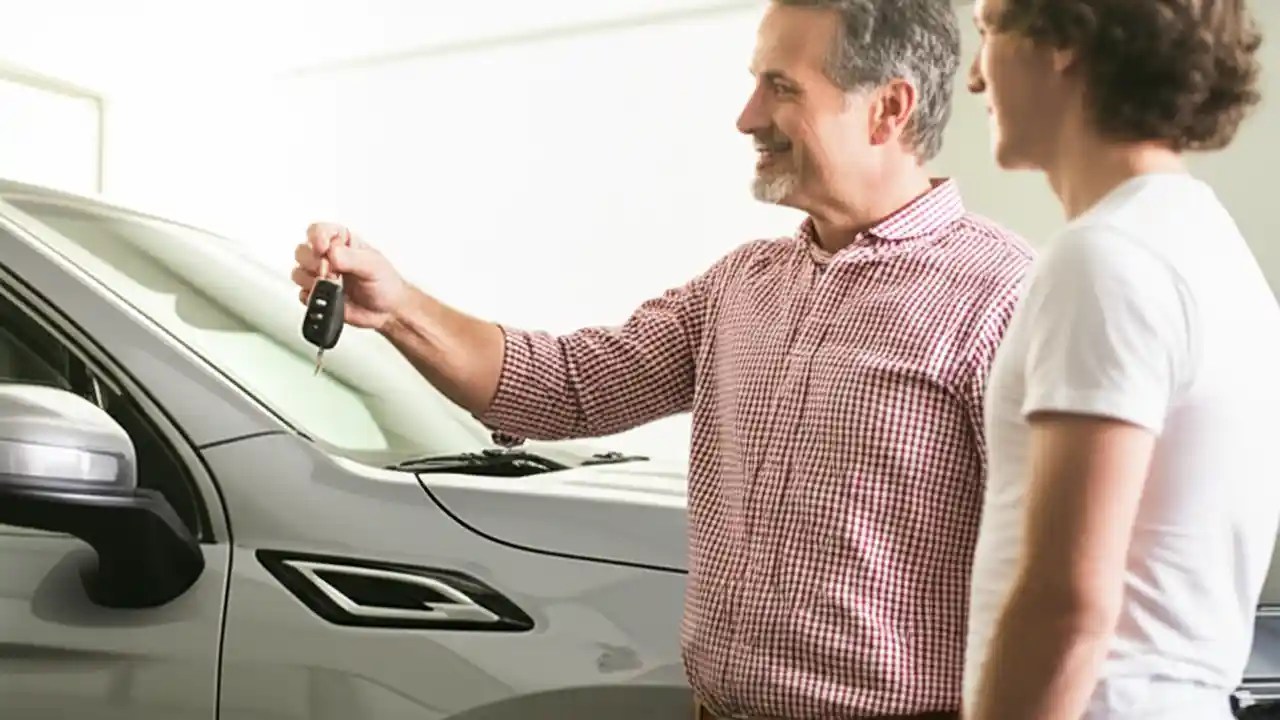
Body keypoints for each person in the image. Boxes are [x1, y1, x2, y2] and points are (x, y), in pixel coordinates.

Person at [293, 1, 1033, 717]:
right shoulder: (742, 284)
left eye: (780, 87)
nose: (747, 117)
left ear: (889, 108)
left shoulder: (1005, 301)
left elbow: (1060, 585)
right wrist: (397, 308)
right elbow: (563, 386)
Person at [963, 0, 1280, 718]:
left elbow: (1066, 606)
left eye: (989, 32)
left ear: (1065, 38)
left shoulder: (1104, 259)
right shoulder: (1210, 248)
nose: (976, 76)